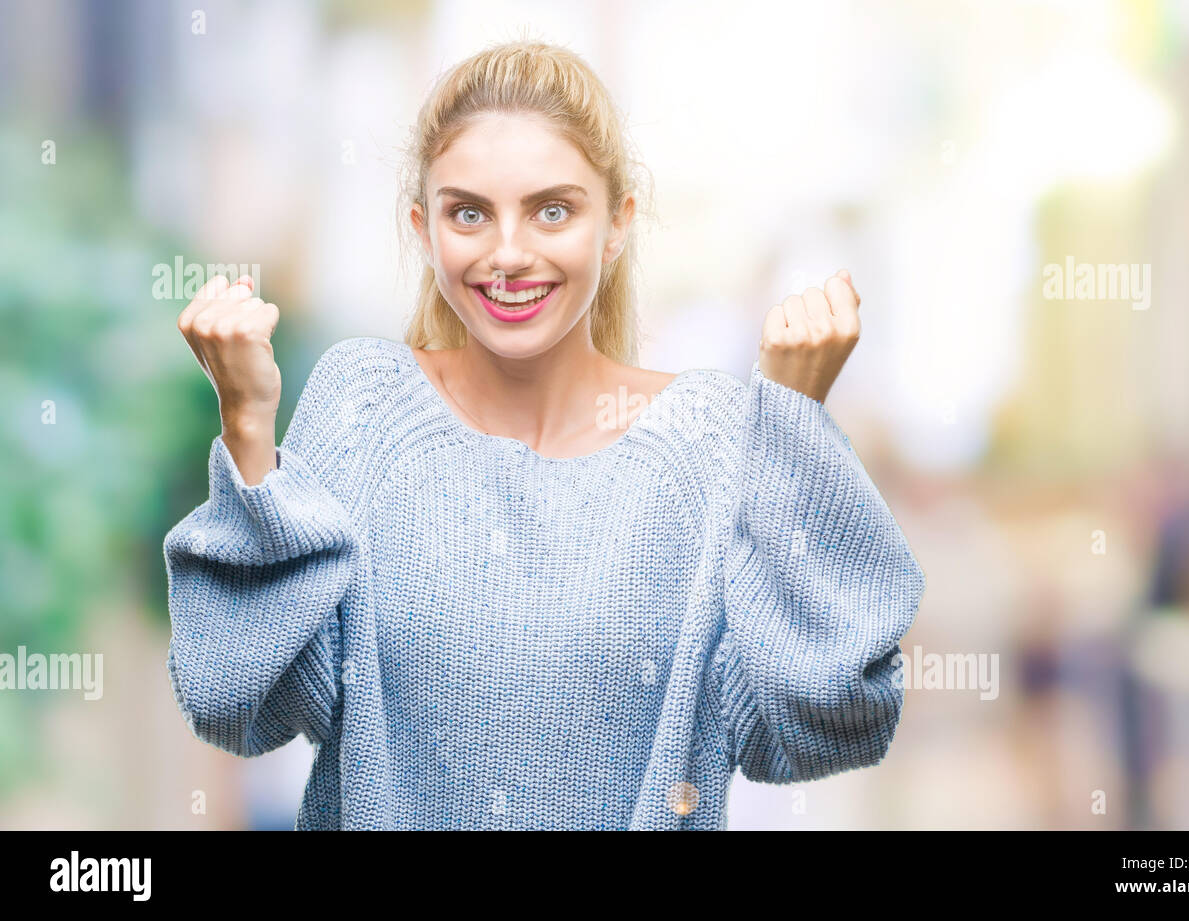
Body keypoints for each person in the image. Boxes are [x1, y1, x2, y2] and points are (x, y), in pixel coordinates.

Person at [162, 39, 926, 830]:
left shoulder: (708, 441)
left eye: (551, 209)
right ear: (424, 230)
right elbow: (234, 702)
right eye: (469, 213)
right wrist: (249, 427)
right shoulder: (366, 408)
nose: (509, 255)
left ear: (619, 222)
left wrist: (794, 428)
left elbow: (828, 725)